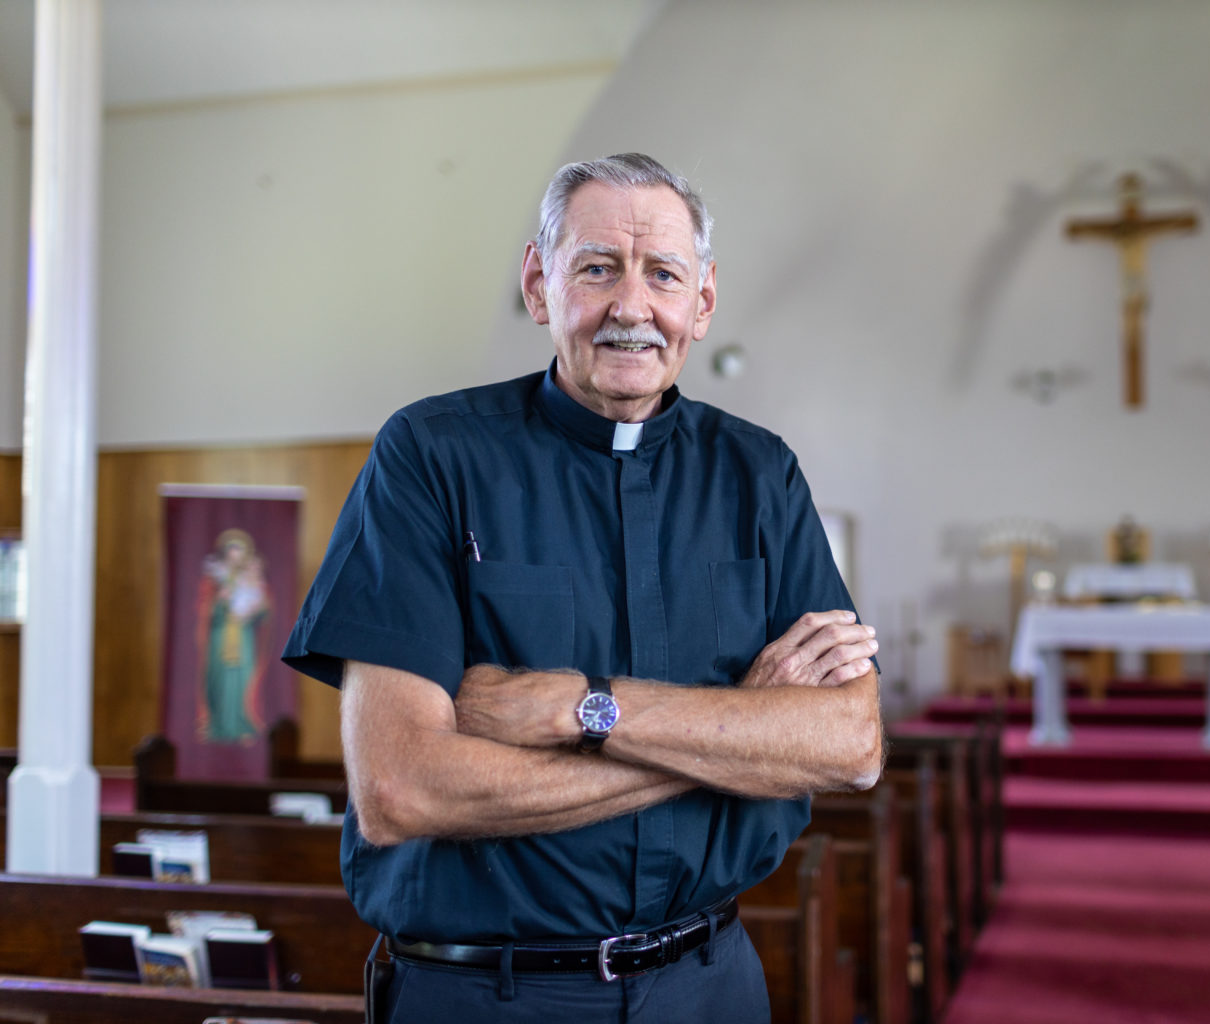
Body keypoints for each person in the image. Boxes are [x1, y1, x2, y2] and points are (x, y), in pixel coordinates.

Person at [282, 152, 883, 1023]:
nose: (630, 308)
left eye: (663, 275)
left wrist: (580, 707)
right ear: (539, 283)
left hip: (707, 983)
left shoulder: (759, 473)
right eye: (597, 268)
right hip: (488, 994)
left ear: (702, 303)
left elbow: (851, 744)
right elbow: (402, 789)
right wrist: (736, 738)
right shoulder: (430, 456)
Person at [197, 527, 270, 744]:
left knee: (240, 680)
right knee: (217, 678)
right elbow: (204, 609)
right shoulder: (215, 578)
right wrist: (220, 601)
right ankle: (217, 725)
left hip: (242, 636)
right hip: (220, 635)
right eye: (231, 549)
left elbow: (264, 610)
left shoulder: (251, 576)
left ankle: (239, 723)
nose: (235, 553)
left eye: (239, 549)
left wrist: (255, 609)